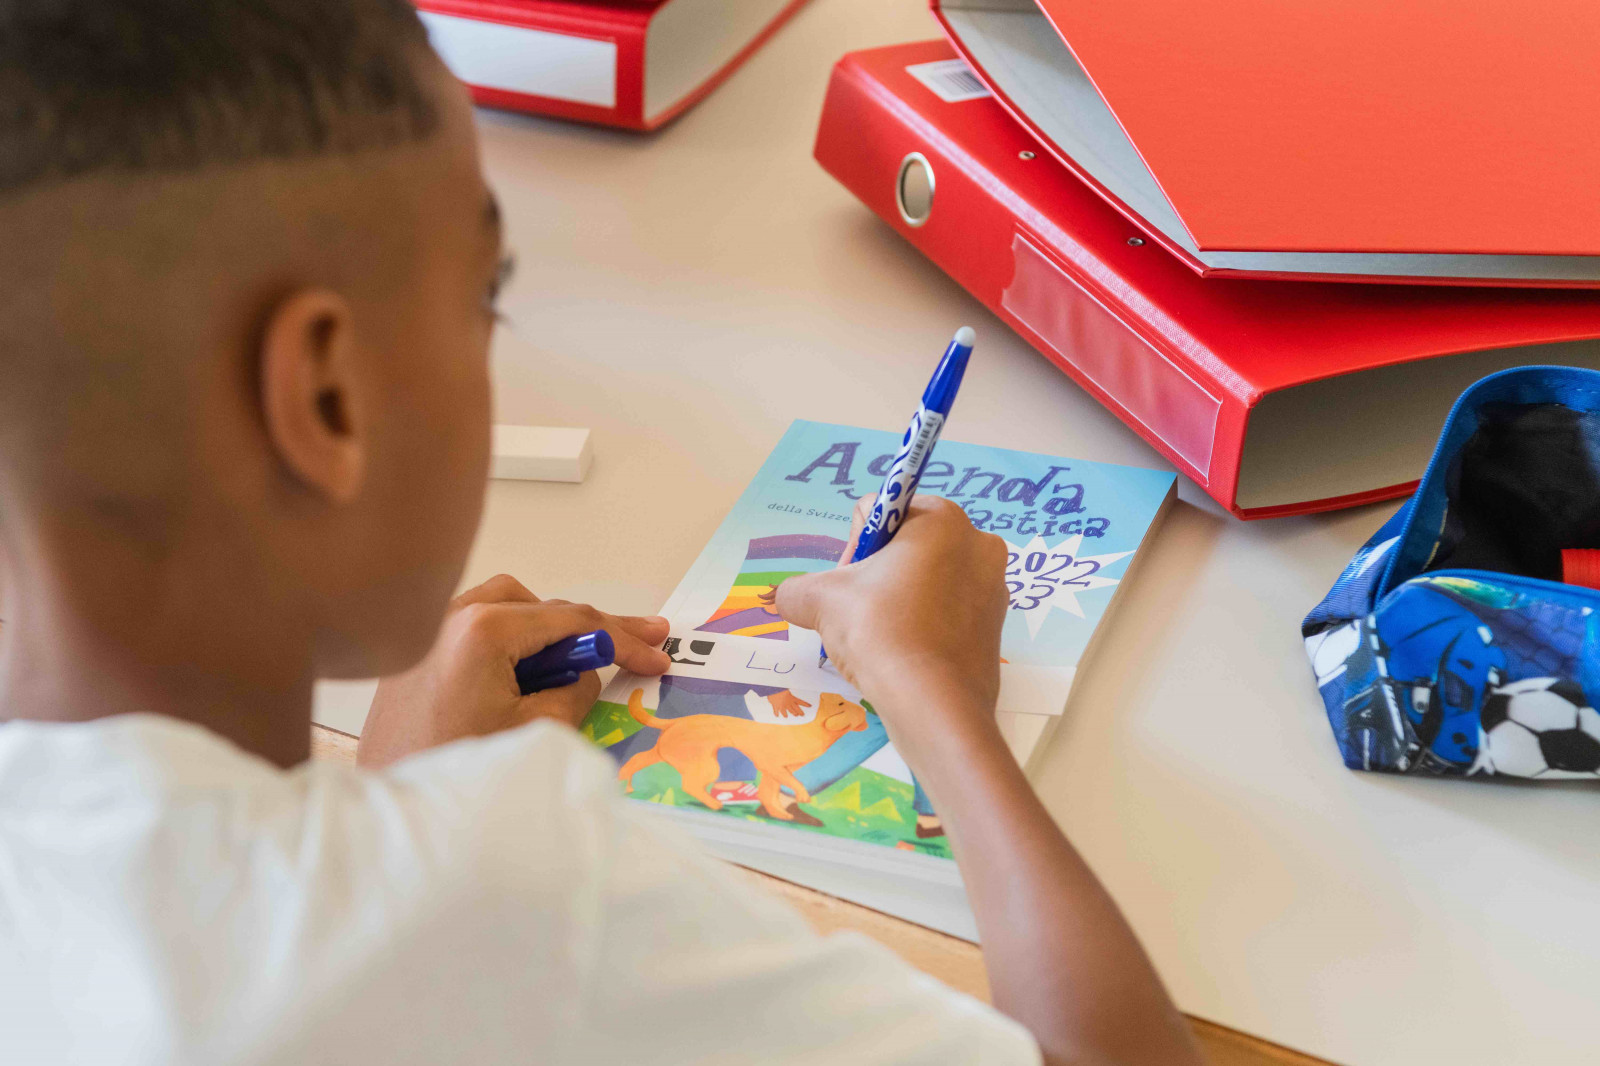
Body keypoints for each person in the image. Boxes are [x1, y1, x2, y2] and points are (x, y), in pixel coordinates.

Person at [0, 3, 1204, 1065]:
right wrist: (935, 686)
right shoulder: (513, 891)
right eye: (487, 292)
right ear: (326, 400)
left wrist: (389, 807)